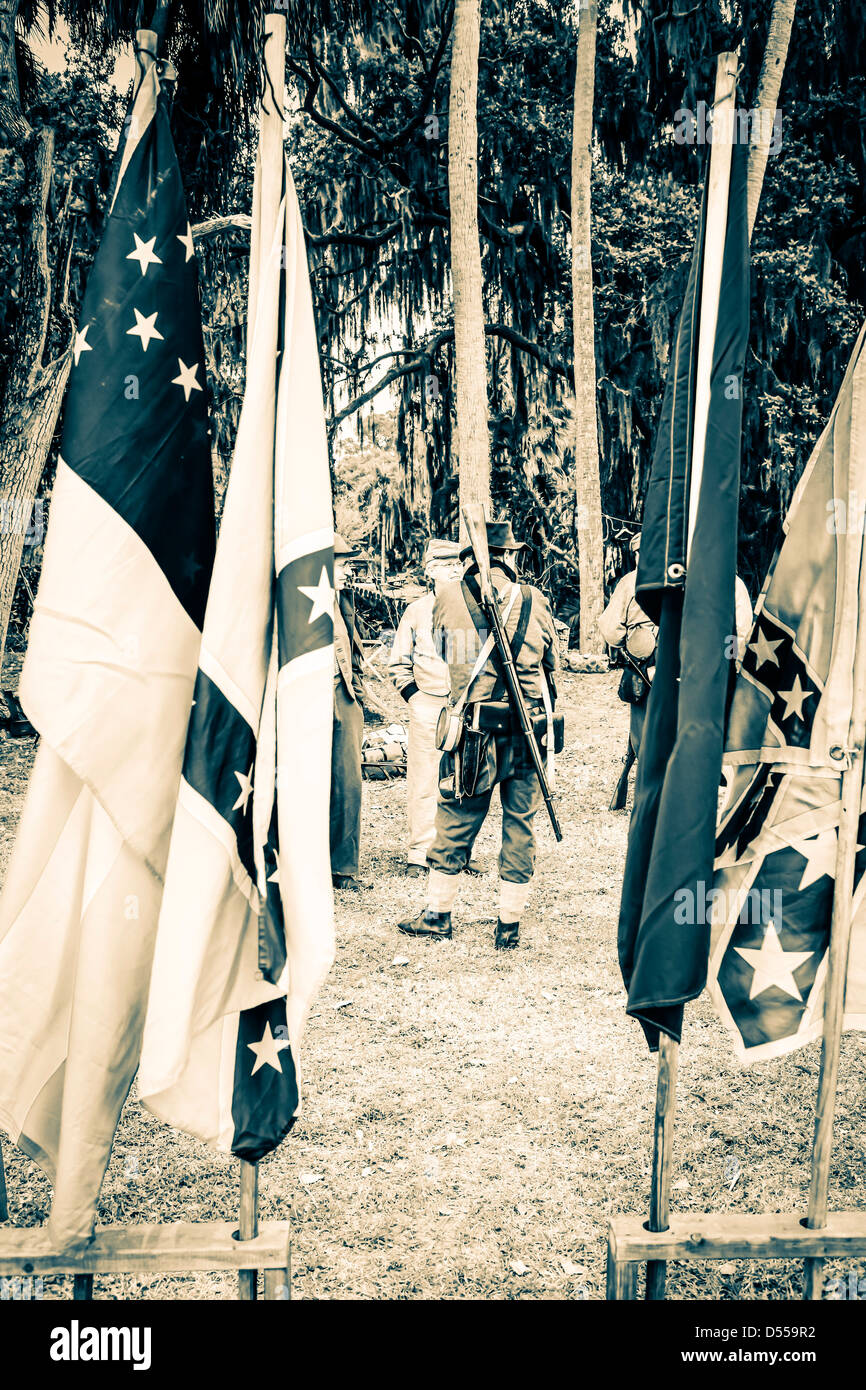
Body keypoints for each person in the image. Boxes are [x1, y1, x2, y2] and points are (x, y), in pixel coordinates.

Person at [399, 519, 559, 950]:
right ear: (509, 556)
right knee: (521, 823)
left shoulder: (447, 597)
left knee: (455, 819)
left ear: (469, 558)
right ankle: (508, 925)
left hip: (475, 732)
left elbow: (449, 650)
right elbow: (550, 661)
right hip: (528, 731)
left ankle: (437, 914)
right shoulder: (534, 598)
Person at [600, 531, 754, 759]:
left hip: (646, 667)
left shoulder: (631, 581)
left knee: (646, 738)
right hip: (704, 668)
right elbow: (741, 632)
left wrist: (633, 643)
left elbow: (611, 630)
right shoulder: (724, 580)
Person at [388, 538, 463, 877]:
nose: (456, 568)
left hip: (465, 706)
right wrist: (416, 698)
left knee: (466, 781)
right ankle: (420, 853)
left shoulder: (471, 607)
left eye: (458, 563)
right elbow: (398, 663)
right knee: (425, 780)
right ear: (431, 570)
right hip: (428, 706)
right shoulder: (417, 611)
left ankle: (456, 851)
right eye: (447, 564)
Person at [331, 533, 366, 890]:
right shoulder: (295, 601)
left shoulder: (344, 600)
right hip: (307, 699)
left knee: (348, 784)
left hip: (343, 694)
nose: (347, 572)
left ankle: (343, 868)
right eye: (341, 565)